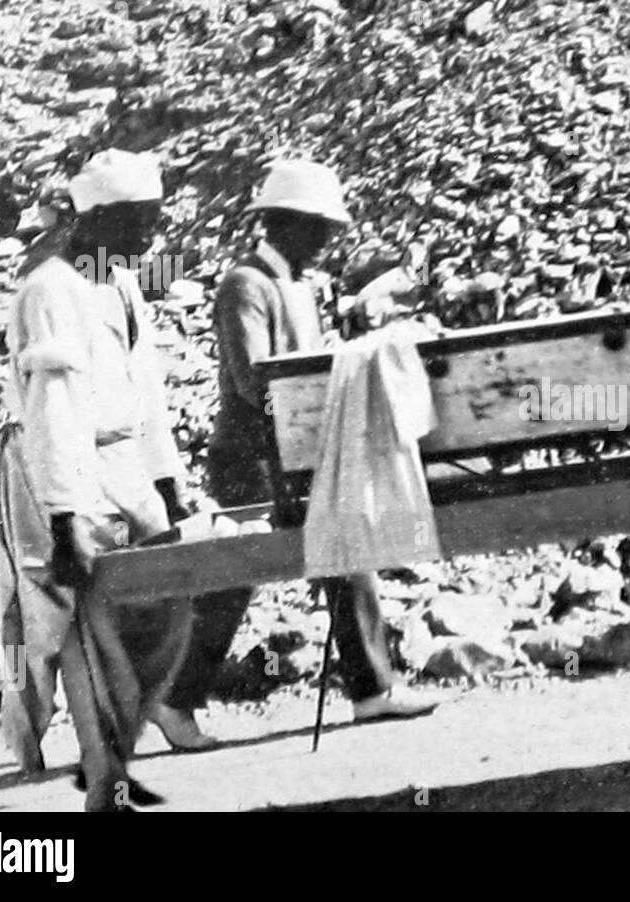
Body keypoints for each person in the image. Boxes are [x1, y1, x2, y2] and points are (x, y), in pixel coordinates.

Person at [152, 160, 442, 748]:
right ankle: (174, 700)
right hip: (249, 461)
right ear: (285, 223)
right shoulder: (246, 285)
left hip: (299, 456)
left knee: (346, 550)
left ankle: (372, 691)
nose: (325, 241)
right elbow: (250, 382)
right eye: (317, 229)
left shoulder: (302, 288)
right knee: (237, 576)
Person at [0, 148, 195, 809]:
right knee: (79, 621)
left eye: (155, 220)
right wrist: (64, 515)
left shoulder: (121, 282)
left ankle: (115, 750)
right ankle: (102, 779)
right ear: (100, 216)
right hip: (64, 464)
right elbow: (55, 412)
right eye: (139, 221)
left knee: (166, 602)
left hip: (124, 462)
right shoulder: (51, 288)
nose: (151, 236)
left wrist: (165, 483)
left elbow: (146, 390)